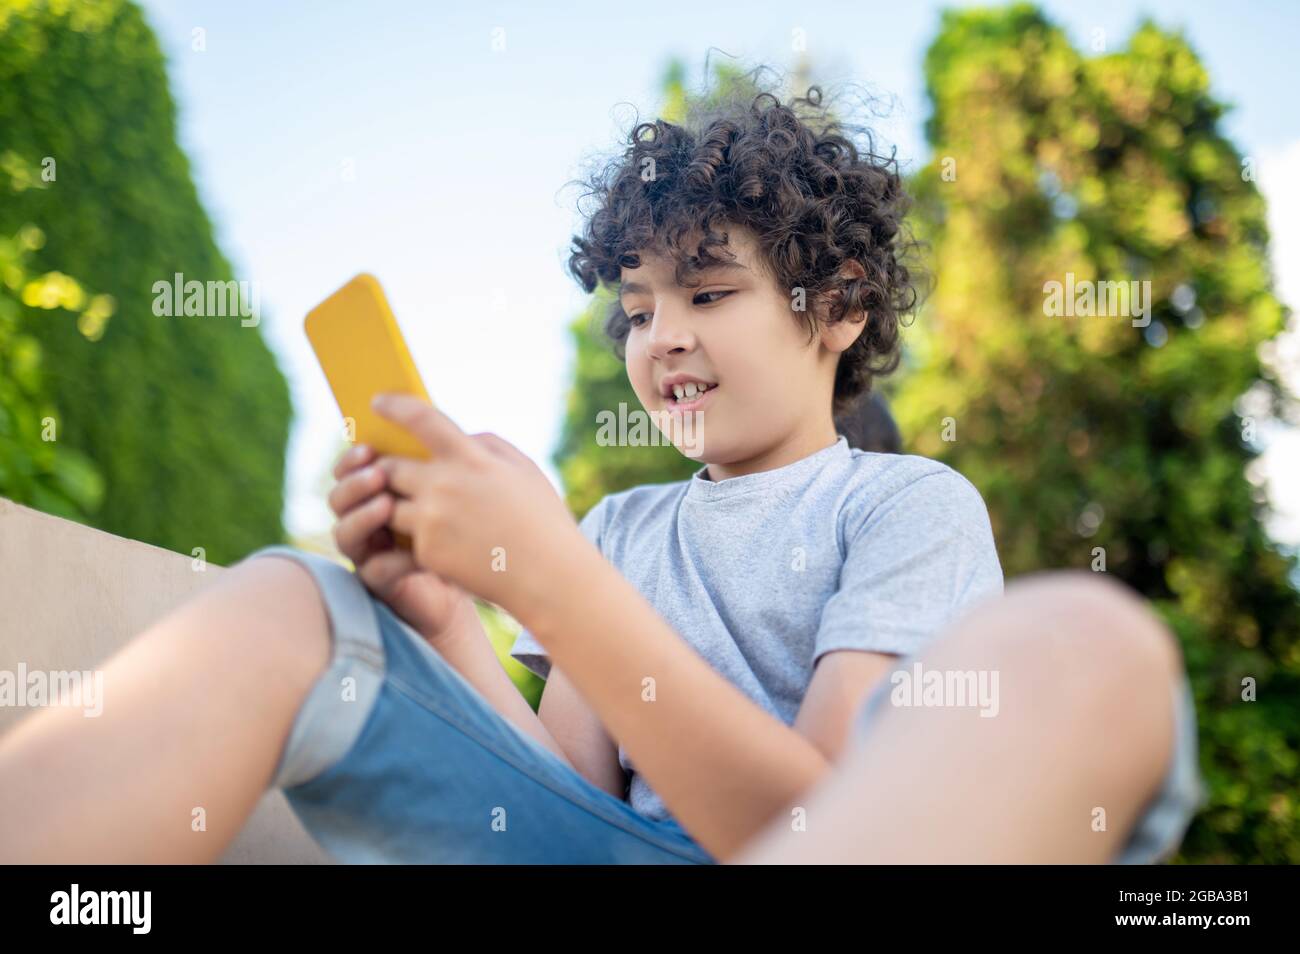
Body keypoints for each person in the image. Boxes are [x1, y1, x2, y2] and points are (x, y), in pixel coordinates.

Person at [0, 78, 1205, 864]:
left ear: (835, 308)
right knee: (289, 599)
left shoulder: (903, 506)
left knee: (1084, 637)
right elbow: (545, 801)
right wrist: (456, 613)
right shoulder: (622, 526)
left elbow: (826, 826)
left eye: (709, 292)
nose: (660, 336)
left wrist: (552, 580)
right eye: (635, 311)